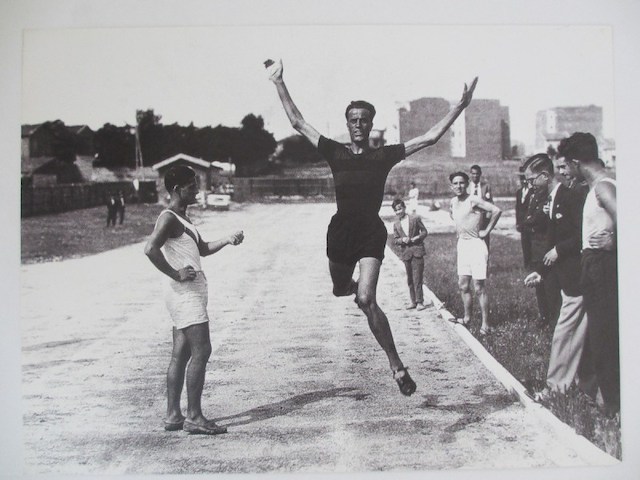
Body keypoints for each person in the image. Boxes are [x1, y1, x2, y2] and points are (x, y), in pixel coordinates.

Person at [265, 58, 477, 396]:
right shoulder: (335, 152)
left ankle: (397, 366)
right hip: (340, 233)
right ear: (347, 124)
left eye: (364, 120)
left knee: (366, 299)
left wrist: (460, 106)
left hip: (369, 233)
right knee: (340, 289)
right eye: (353, 120)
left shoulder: (384, 155)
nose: (359, 124)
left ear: (371, 123)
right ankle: (348, 286)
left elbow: (431, 137)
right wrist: (278, 81)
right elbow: (297, 122)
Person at [144, 165, 244, 434]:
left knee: (181, 353)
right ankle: (195, 416)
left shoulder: (181, 218)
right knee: (202, 350)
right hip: (184, 293)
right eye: (192, 186)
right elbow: (150, 249)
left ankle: (174, 415)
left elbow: (201, 249)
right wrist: (175, 273)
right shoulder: (168, 218)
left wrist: (228, 239)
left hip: (187, 291)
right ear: (177, 190)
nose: (197, 190)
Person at [522, 153, 593, 401]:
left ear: (545, 176)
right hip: (563, 277)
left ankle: (555, 388)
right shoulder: (550, 199)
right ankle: (581, 384)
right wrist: (540, 272)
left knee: (564, 333)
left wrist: (559, 251)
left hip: (576, 277)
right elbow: (551, 241)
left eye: (532, 180)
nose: (529, 185)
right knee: (574, 332)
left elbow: (583, 234)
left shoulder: (572, 197)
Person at [558, 132, 619, 416]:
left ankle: (613, 407)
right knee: (599, 335)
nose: (565, 172)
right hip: (593, 264)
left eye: (565, 166)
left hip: (602, 267)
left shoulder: (603, 188)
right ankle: (604, 399)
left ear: (575, 162)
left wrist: (614, 242)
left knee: (604, 336)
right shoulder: (599, 185)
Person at [449, 171, 501, 335]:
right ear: (451, 186)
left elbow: (496, 210)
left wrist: (486, 230)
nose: (459, 186)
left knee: (479, 287)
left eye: (462, 183)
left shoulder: (473, 200)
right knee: (463, 285)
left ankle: (486, 324)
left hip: (476, 245)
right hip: (462, 245)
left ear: (467, 184)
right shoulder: (453, 202)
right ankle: (467, 318)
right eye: (455, 183)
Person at [392, 198, 429, 311]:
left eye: (400, 208)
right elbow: (395, 240)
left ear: (404, 207)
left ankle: (420, 302)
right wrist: (402, 240)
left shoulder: (414, 218)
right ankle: (413, 301)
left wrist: (417, 237)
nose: (399, 211)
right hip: (406, 253)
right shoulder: (396, 224)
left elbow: (424, 232)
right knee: (410, 279)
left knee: (418, 277)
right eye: (396, 210)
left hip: (417, 250)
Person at [468, 164, 494, 250]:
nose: (475, 176)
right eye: (473, 173)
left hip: (482, 218)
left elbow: (490, 202)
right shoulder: (467, 187)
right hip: (470, 218)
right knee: (471, 243)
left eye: (477, 174)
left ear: (480, 174)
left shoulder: (485, 187)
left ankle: (485, 262)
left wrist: (487, 218)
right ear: (470, 174)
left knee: (484, 244)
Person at [515, 169, 533, 268]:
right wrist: (517, 222)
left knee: (530, 243)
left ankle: (531, 263)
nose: (523, 181)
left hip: (529, 222)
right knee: (524, 243)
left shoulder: (532, 191)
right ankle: (526, 264)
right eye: (521, 179)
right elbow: (517, 208)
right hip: (522, 222)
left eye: (525, 179)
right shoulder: (519, 192)